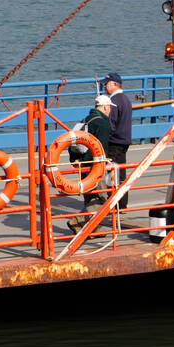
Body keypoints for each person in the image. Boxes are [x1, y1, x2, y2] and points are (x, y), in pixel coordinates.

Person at [68, 95, 112, 234]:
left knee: (89, 198)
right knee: (101, 198)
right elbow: (101, 148)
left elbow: (74, 142)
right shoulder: (102, 124)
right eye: (109, 107)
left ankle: (89, 231)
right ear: (105, 107)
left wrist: (76, 159)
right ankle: (77, 221)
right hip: (95, 166)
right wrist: (103, 161)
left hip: (82, 164)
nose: (110, 110)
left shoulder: (85, 120)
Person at [101, 72, 133, 210]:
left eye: (106, 84)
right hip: (124, 140)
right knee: (121, 173)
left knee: (112, 174)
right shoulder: (125, 99)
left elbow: (111, 124)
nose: (104, 86)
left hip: (114, 142)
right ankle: (122, 203)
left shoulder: (113, 101)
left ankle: (115, 204)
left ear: (114, 84)